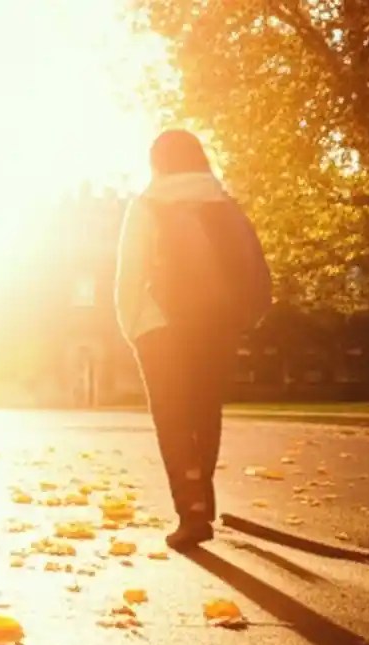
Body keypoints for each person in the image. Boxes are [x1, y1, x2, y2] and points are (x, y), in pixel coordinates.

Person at [115, 129, 271, 549]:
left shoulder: (148, 206)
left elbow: (129, 276)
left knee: (172, 419)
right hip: (214, 323)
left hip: (160, 324)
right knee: (204, 411)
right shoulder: (225, 205)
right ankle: (202, 496)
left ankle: (192, 512)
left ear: (157, 163)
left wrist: (134, 327)